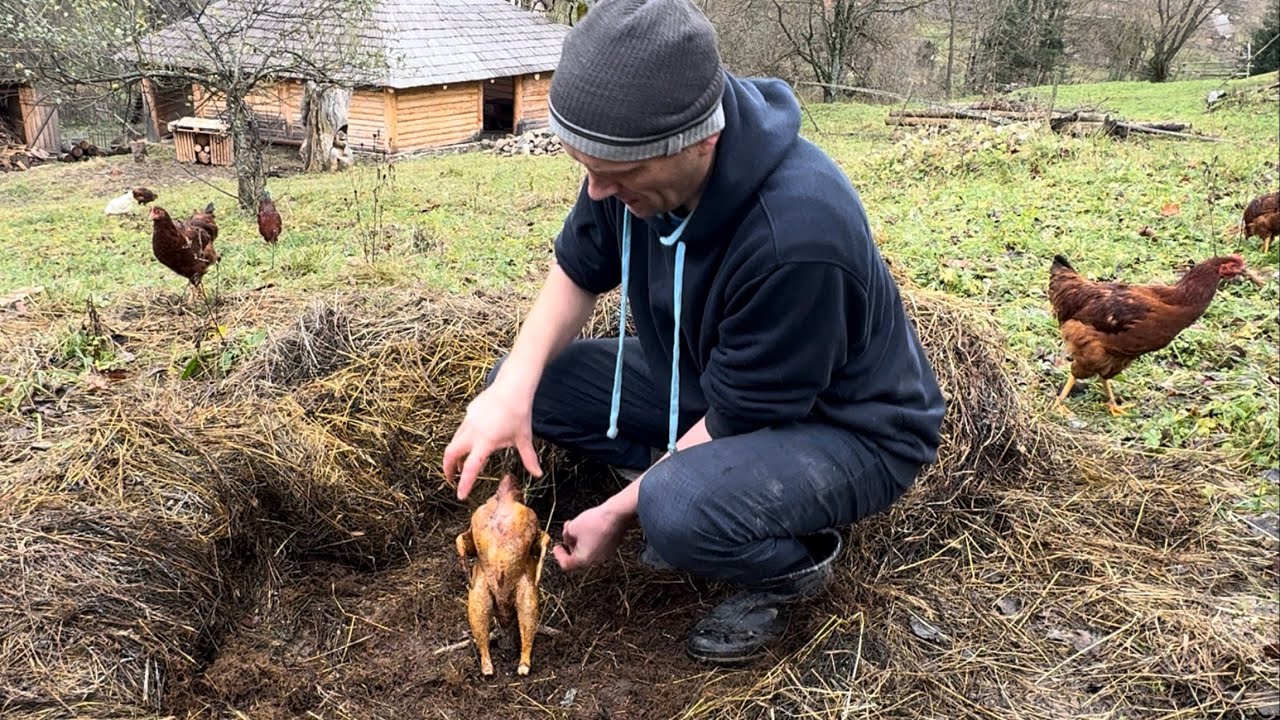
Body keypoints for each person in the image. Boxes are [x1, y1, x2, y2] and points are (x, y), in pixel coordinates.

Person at [443, 0, 945, 665]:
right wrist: (510, 391)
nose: (595, 193)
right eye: (588, 170)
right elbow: (577, 269)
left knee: (672, 509)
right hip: (711, 377)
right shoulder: (631, 160)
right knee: (526, 382)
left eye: (616, 178)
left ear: (700, 142)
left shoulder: (797, 237)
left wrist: (622, 511)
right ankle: (689, 473)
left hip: (847, 428)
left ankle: (788, 567)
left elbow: (741, 416)